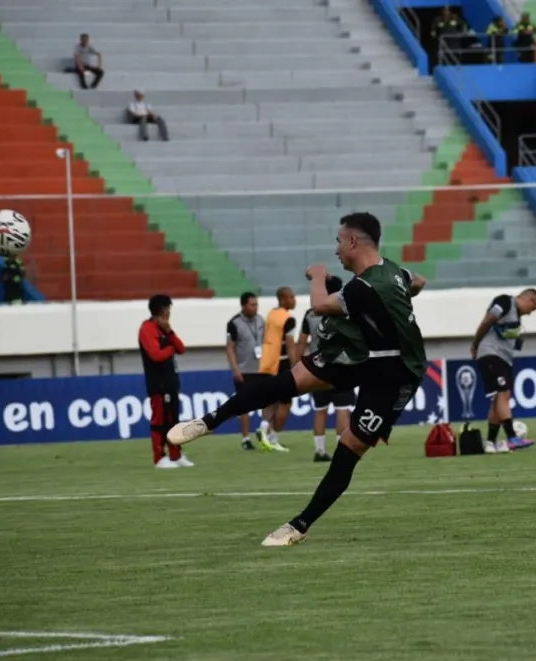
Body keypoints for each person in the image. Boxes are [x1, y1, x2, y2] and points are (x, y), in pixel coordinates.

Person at [167, 212, 428, 547]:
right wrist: (402, 295)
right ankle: (207, 421)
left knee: (349, 447)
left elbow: (319, 304)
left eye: (338, 241)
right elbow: (418, 281)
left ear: (352, 242)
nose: (336, 250)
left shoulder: (364, 287)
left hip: (394, 372)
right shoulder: (394, 272)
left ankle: (299, 525)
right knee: (285, 383)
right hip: (361, 352)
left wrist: (317, 274)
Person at [470, 289, 536, 454]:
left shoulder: (516, 317)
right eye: (532, 308)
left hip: (503, 358)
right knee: (503, 394)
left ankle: (490, 442)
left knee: (499, 398)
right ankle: (512, 437)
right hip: (492, 354)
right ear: (529, 299)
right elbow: (488, 320)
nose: (530, 313)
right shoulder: (505, 302)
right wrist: (475, 344)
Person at [296, 274, 356, 463]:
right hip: (340, 365)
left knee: (320, 410)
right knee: (342, 409)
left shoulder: (310, 313)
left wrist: (299, 364)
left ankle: (319, 451)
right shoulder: (345, 311)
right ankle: (343, 450)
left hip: (316, 367)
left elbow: (301, 341)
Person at [139, 294, 192, 469]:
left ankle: (176, 455)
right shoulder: (147, 329)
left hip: (171, 381)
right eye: (167, 308)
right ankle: (159, 457)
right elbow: (156, 355)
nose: (169, 312)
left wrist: (169, 332)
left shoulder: (164, 329)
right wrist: (170, 348)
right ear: (160, 310)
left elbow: (182, 348)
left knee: (174, 420)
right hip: (157, 383)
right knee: (159, 421)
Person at [254, 286, 297, 453]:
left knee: (271, 399)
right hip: (283, 364)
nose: (294, 300)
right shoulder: (288, 319)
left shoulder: (271, 314)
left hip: (267, 363)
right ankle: (274, 438)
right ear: (284, 299)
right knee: (285, 403)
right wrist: (295, 367)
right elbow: (290, 346)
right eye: (291, 298)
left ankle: (263, 428)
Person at [226, 291, 266, 451]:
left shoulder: (261, 320)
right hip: (244, 370)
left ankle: (264, 435)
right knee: (244, 406)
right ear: (243, 306)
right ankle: (246, 438)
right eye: (252, 305)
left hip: (262, 369)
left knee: (266, 402)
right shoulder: (234, 323)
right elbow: (230, 348)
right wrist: (235, 369)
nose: (255, 308)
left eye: (256, 304)